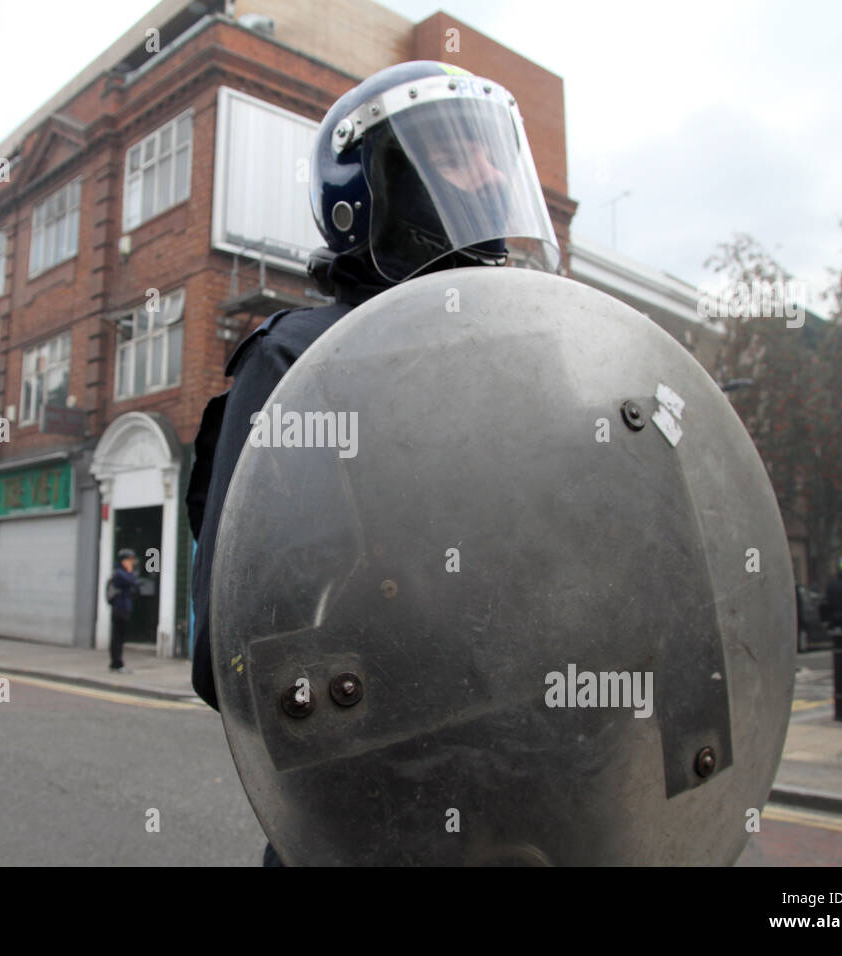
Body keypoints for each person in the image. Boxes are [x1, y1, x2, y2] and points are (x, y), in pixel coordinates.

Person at [184, 60, 560, 865]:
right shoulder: (300, 362)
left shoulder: (539, 365)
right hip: (374, 809)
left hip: (544, 790)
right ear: (367, 191)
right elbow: (242, 641)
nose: (491, 175)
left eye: (497, 155)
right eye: (458, 158)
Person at [107, 548, 141, 674]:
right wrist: (131, 571)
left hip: (124, 609)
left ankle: (116, 663)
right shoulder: (119, 573)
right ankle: (116, 664)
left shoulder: (122, 572)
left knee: (119, 638)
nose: (132, 562)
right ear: (123, 561)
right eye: (130, 560)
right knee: (117, 638)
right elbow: (132, 581)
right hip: (119, 610)